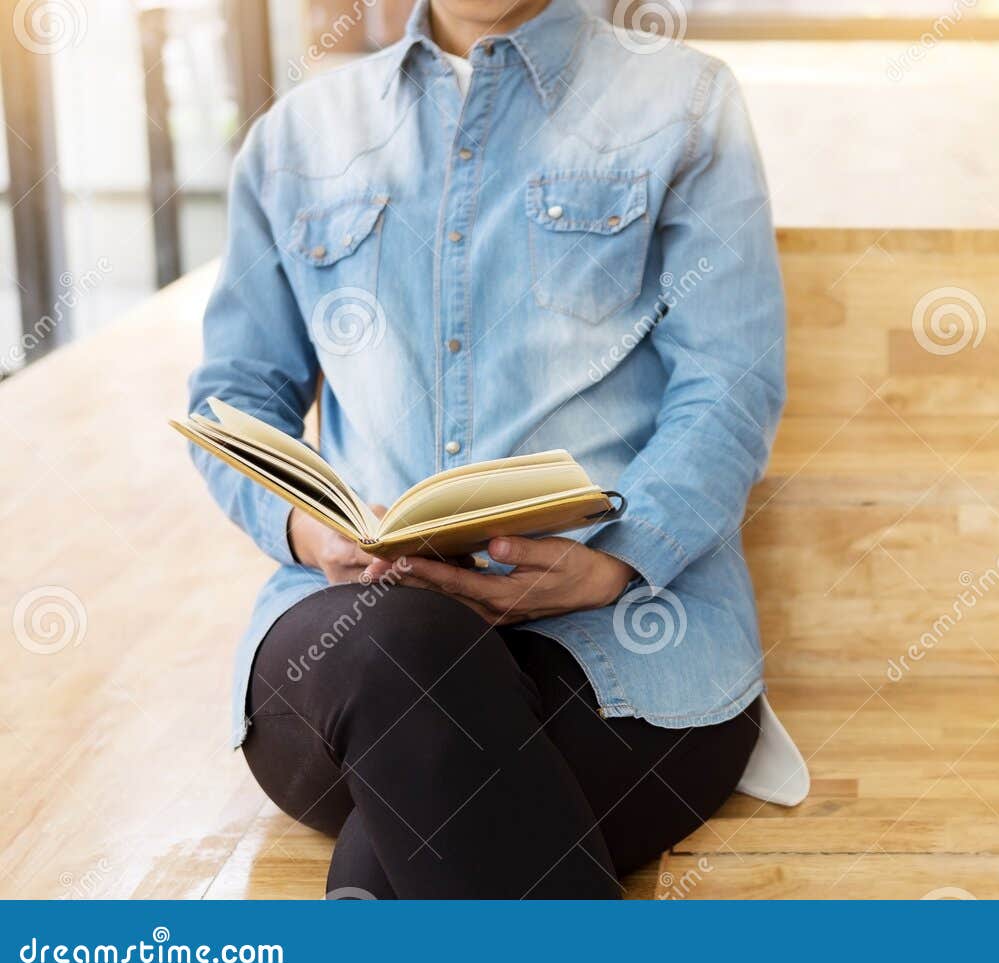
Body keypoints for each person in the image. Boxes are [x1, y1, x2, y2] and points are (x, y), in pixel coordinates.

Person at [188, 0, 785, 898]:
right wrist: (315, 534)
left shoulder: (685, 103)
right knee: (403, 652)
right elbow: (234, 399)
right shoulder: (295, 138)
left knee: (417, 806)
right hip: (352, 646)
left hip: (618, 651)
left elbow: (729, 381)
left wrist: (619, 560)